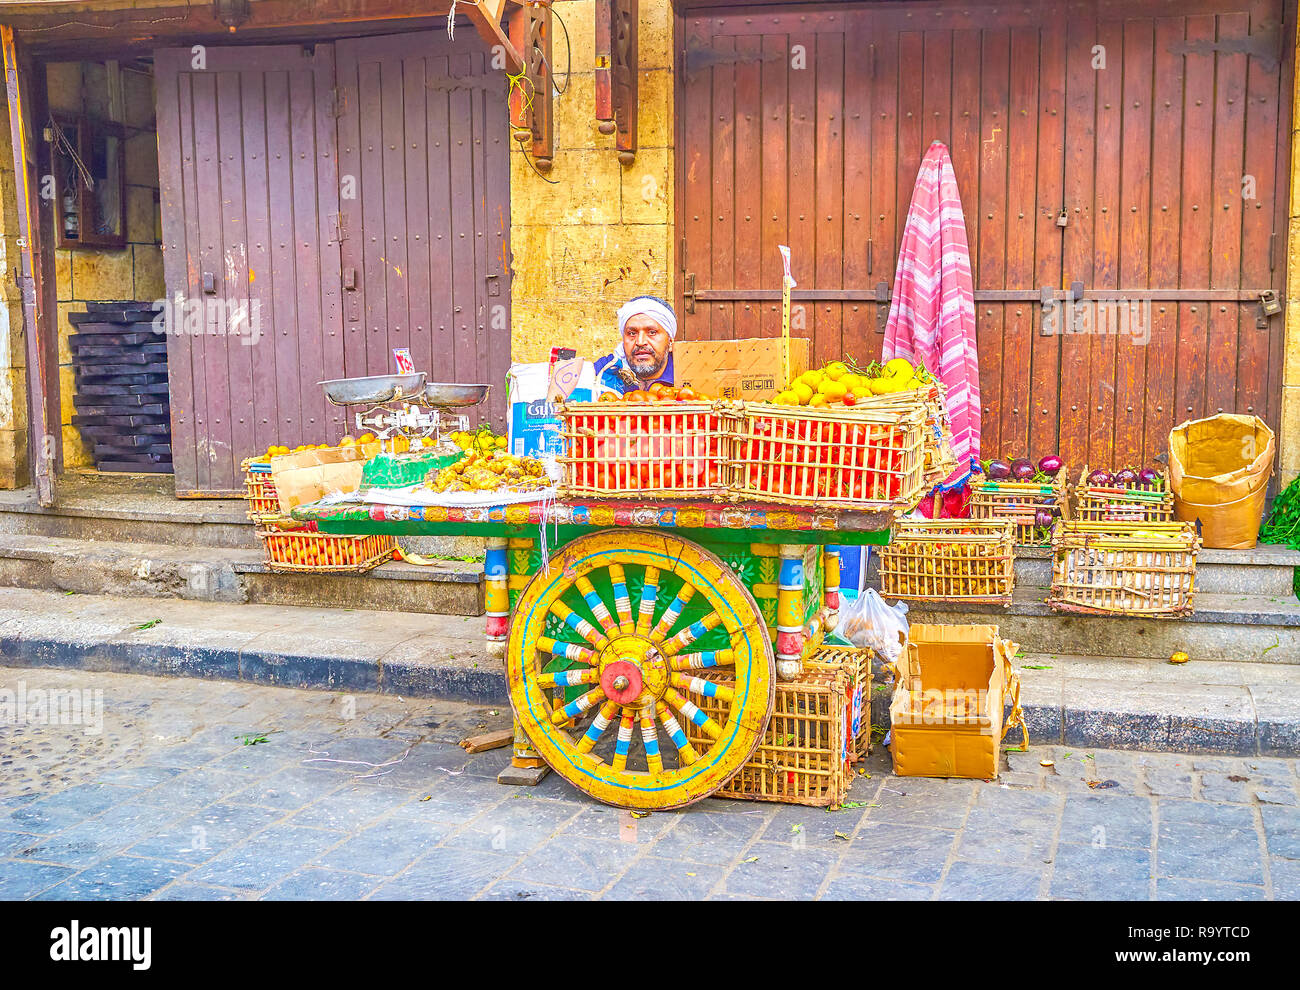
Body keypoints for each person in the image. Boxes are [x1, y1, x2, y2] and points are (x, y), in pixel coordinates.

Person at [593, 295, 676, 396]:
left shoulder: (686, 376)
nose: (640, 342)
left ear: (670, 343)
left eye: (652, 332)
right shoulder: (606, 369)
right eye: (632, 333)